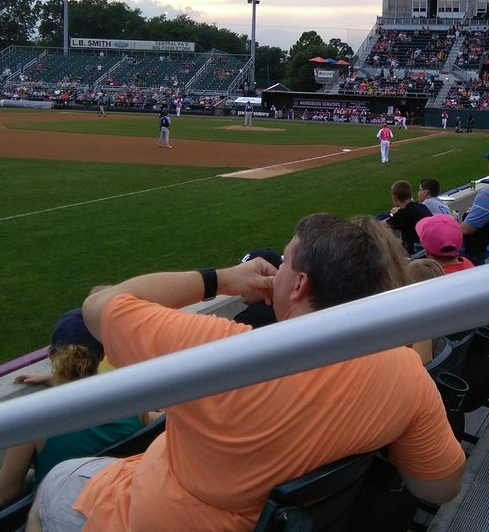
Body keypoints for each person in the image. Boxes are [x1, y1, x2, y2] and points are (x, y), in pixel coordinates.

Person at [30, 214, 465, 532]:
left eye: (287, 260)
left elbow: (98, 308)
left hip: (149, 515)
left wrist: (218, 279)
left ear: (299, 286)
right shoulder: (404, 368)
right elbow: (440, 486)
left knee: (54, 484)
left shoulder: (224, 354)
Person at [0, 310, 153, 505]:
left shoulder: (32, 419)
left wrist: (32, 476)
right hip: (120, 511)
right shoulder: (132, 403)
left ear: (51, 355)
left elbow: (5, 493)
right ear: (102, 354)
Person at [232, 248, 284, 329]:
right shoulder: (291, 309)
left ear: (267, 279)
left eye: (246, 276)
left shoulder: (248, 319)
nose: (240, 282)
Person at [386, 180, 433, 253]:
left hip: (418, 254)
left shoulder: (404, 213)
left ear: (394, 197)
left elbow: (381, 226)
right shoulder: (422, 207)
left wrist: (393, 215)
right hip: (429, 248)